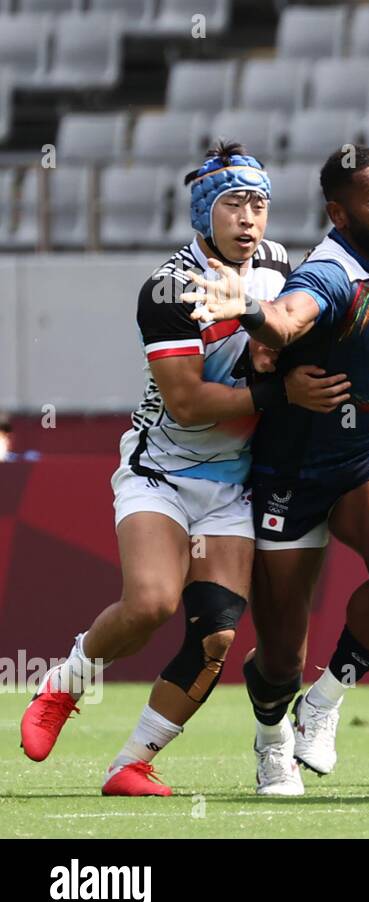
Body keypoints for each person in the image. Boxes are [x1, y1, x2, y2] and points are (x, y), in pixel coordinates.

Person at [19, 142, 344, 795]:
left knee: (216, 637)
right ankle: (64, 684)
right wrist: (282, 393)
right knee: (150, 602)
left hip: (232, 486)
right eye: (233, 203)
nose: (250, 217)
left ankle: (130, 762)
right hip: (161, 469)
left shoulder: (281, 266)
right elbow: (190, 404)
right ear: (204, 212)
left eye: (259, 202)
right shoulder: (169, 288)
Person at [182, 145, 369, 795]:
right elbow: (288, 318)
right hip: (291, 470)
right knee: (281, 652)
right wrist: (251, 314)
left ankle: (325, 701)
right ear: (338, 214)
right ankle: (272, 739)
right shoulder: (327, 274)